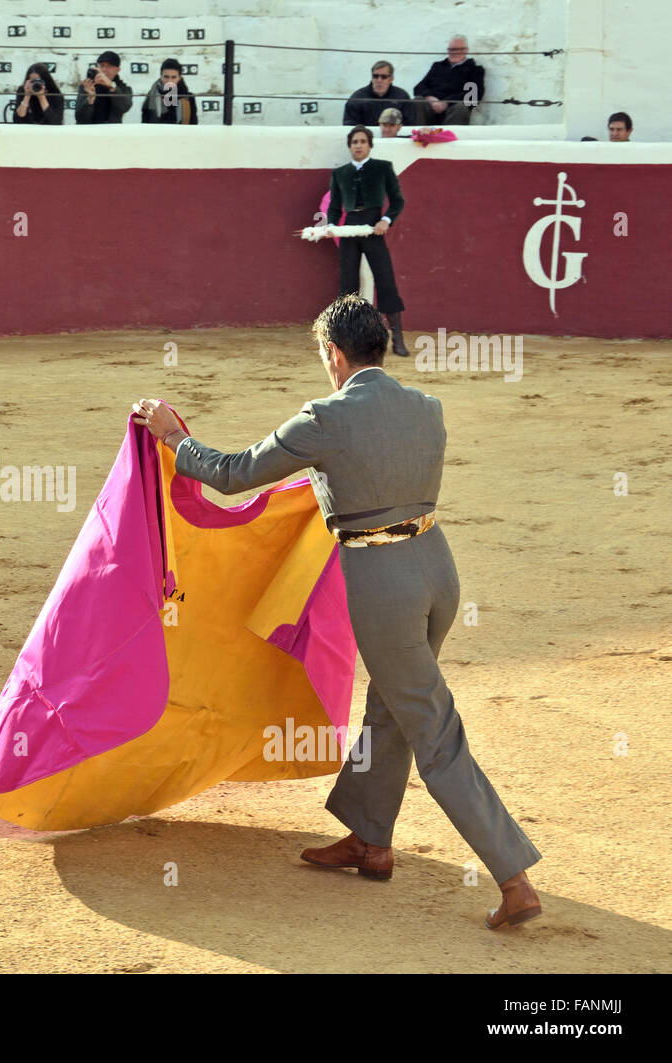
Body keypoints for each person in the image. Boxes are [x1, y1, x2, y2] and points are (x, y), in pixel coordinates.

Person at [130, 295, 543, 931]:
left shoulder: (326, 416)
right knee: (397, 706)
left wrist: (174, 438)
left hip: (384, 587)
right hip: (438, 571)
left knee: (433, 727)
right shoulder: (426, 409)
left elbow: (235, 474)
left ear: (334, 354)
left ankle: (514, 879)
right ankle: (370, 840)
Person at [329, 125, 408, 356]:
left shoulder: (382, 168)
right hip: (350, 229)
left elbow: (397, 201)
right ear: (350, 146)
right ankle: (345, 341)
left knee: (386, 281)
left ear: (369, 145)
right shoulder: (340, 173)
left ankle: (398, 339)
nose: (358, 145)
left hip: (374, 227)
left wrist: (385, 220)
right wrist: (333, 226)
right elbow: (334, 207)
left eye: (363, 141)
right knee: (347, 286)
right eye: (355, 142)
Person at [413, 35, 484, 126]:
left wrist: (446, 103)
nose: (453, 53)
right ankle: (419, 134)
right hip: (431, 108)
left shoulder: (474, 70)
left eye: (457, 49)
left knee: (461, 107)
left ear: (466, 50)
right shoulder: (438, 66)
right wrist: (431, 98)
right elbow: (419, 87)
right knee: (418, 100)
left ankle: (450, 138)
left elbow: (474, 95)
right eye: (451, 50)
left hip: (454, 110)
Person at [343, 60, 412, 126]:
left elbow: (409, 125)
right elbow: (349, 126)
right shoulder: (357, 98)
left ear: (391, 79)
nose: (379, 80)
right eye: (375, 76)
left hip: (394, 137)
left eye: (384, 77)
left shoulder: (402, 97)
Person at [76, 50, 132, 125]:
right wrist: (90, 99)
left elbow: (125, 107)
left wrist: (111, 87)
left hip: (112, 133)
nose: (104, 70)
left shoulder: (124, 88)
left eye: (109, 66)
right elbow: (79, 117)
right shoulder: (87, 85)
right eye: (102, 65)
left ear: (117, 70)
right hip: (88, 132)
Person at [141, 58, 197, 125]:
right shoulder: (151, 96)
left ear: (179, 78)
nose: (169, 81)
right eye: (166, 77)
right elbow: (145, 125)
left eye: (173, 77)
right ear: (161, 76)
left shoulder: (188, 98)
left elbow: (193, 127)